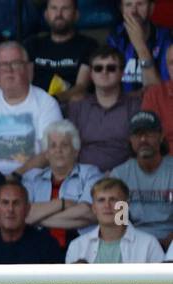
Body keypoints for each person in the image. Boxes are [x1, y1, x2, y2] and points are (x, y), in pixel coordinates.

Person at [0, 41, 63, 177]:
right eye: (2, 65)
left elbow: (49, 152)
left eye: (15, 63)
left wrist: (14, 177)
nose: (9, 69)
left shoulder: (46, 103)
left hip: (31, 180)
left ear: (28, 68)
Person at [22, 120, 103, 253]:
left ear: (76, 151)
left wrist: (38, 220)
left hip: (81, 248)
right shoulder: (32, 178)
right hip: (37, 249)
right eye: (53, 146)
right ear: (46, 153)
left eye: (64, 145)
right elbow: (24, 214)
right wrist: (63, 203)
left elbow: (88, 212)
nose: (58, 150)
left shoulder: (90, 173)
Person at [65, 46, 144, 174]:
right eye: (98, 68)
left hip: (125, 177)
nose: (104, 72)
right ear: (91, 74)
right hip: (83, 178)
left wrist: (118, 174)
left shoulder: (135, 106)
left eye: (111, 68)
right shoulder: (78, 106)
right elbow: (69, 148)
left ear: (122, 73)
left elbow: (140, 149)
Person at [66, 176, 165, 262]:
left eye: (113, 199)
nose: (107, 205)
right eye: (101, 200)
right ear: (94, 208)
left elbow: (164, 282)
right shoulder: (77, 246)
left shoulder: (149, 244)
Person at [111, 111, 173, 247]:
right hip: (133, 242)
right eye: (138, 134)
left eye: (149, 134)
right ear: (130, 139)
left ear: (161, 136)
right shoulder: (119, 175)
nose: (143, 139)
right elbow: (119, 220)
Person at [0, 178, 66, 264]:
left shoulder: (47, 246)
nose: (10, 209)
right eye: (5, 203)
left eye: (16, 203)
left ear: (27, 209)